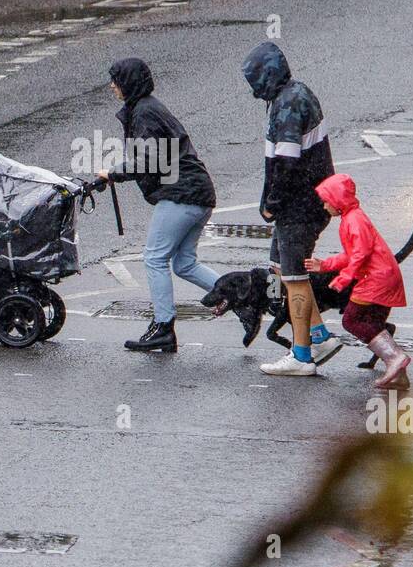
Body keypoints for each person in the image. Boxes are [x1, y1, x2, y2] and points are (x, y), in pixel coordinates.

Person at [97, 57, 219, 353]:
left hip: (182, 194)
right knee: (185, 263)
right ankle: (243, 296)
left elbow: (151, 159)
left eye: (116, 80)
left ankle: (163, 327)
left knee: (154, 258)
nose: (112, 85)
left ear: (129, 83)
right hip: (197, 193)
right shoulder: (146, 107)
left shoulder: (145, 112)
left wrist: (114, 173)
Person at [241, 41, 343, 376]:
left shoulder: (286, 106)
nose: (252, 86)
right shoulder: (297, 93)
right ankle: (319, 337)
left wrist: (271, 205)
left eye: (254, 78)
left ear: (265, 76)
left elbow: (285, 163)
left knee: (295, 278)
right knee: (281, 271)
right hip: (310, 203)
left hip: (298, 207)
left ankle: (301, 357)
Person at [306, 174, 411, 389]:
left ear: (337, 200)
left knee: (352, 320)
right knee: (373, 323)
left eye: (327, 201)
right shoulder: (353, 217)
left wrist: (343, 279)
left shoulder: (353, 220)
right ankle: (398, 375)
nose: (325, 207)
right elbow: (354, 253)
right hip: (385, 276)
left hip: (375, 279)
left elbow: (359, 254)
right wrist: (325, 265)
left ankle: (394, 358)